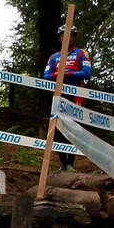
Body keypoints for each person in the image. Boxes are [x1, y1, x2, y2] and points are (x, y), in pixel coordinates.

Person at [42, 24, 92, 171]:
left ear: (74, 37)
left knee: (73, 128)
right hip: (58, 95)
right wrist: (56, 75)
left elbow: (86, 73)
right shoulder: (54, 57)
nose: (65, 38)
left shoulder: (81, 53)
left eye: (69, 35)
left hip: (75, 95)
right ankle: (63, 163)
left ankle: (71, 163)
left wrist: (67, 73)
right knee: (57, 128)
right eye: (63, 35)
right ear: (59, 38)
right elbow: (46, 76)